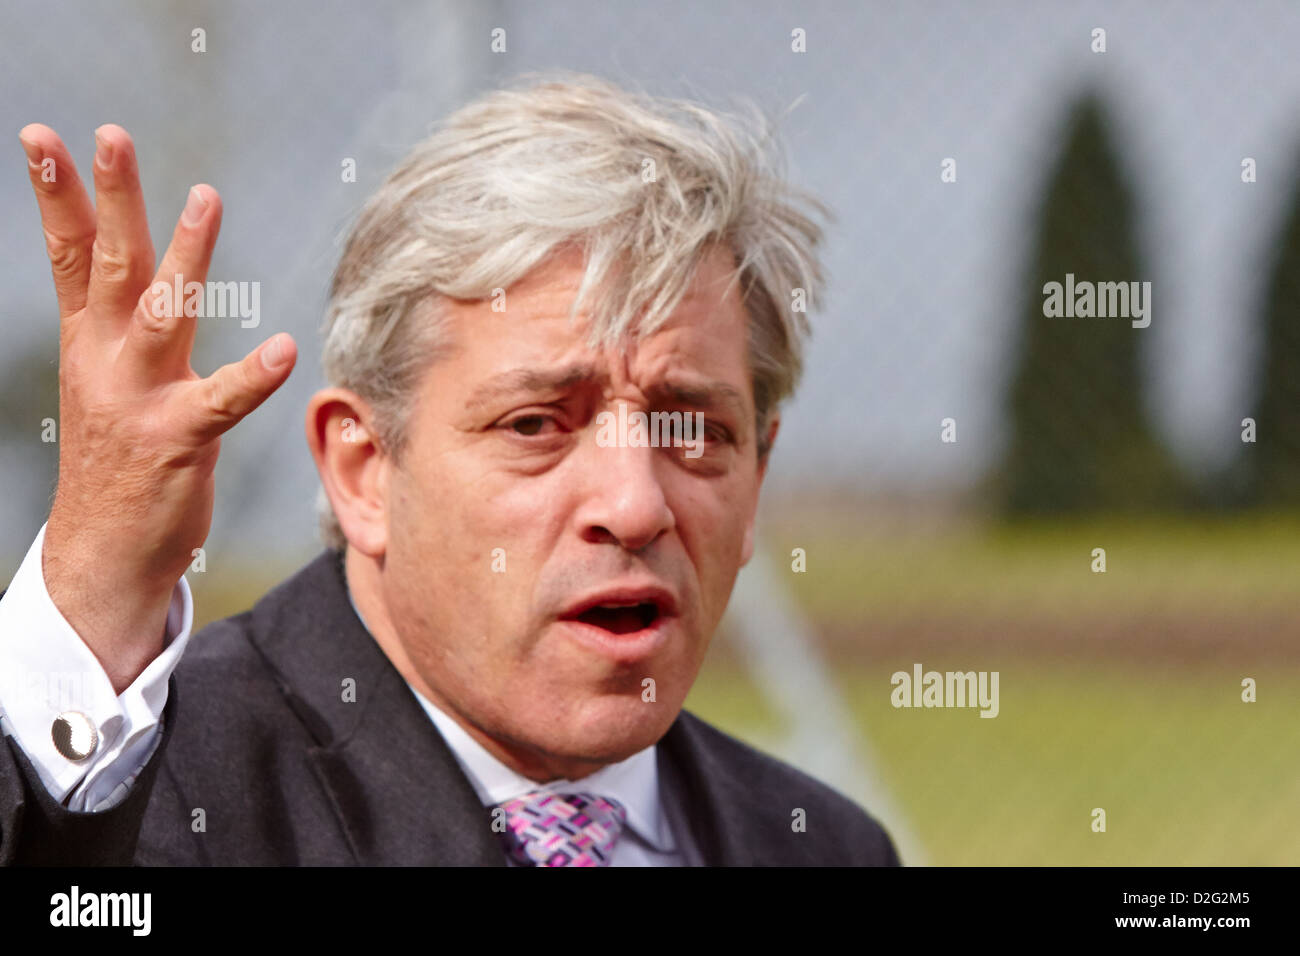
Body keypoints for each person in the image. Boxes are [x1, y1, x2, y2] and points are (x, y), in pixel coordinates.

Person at [0, 73, 900, 866]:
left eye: (692, 429)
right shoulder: (144, 804)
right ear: (363, 471)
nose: (634, 505)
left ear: (758, 477)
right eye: (536, 423)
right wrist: (92, 591)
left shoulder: (822, 843)